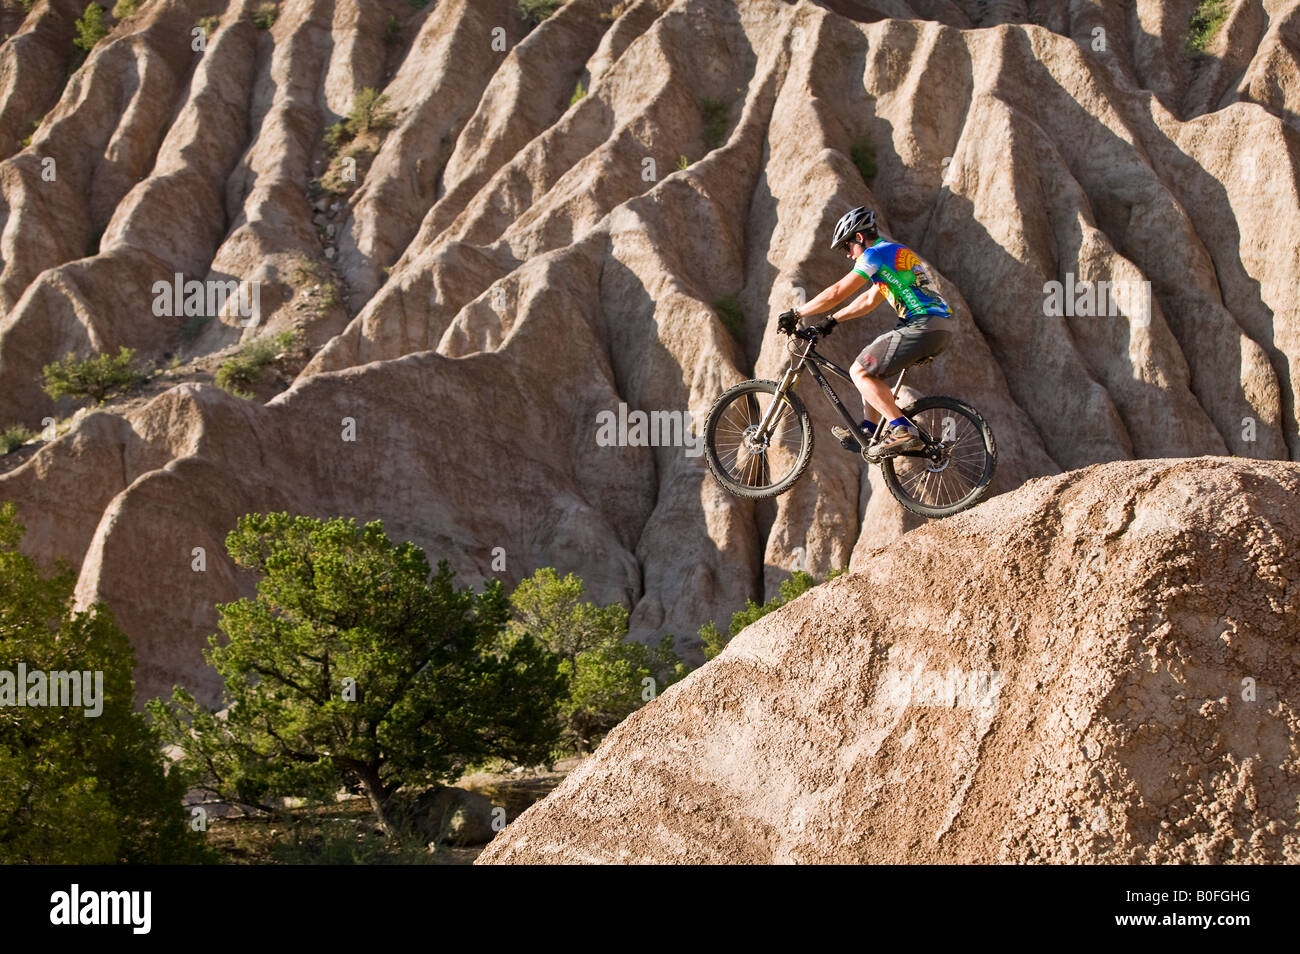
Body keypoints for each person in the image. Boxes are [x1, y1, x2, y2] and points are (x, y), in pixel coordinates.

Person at [777, 206, 954, 458]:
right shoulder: (894, 253)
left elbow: (837, 292)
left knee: (858, 370)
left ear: (859, 238)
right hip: (939, 327)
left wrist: (797, 313)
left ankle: (902, 429)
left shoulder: (873, 254)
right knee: (870, 367)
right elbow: (869, 300)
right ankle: (869, 430)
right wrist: (831, 320)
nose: (848, 255)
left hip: (922, 324)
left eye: (847, 247)